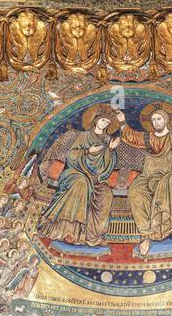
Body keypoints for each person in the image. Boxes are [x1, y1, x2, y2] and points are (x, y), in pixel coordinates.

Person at [117, 103, 172, 257]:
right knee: (135, 191)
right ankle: (146, 235)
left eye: (159, 118)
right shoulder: (149, 137)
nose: (156, 122)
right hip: (149, 176)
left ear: (166, 120)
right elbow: (132, 137)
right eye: (153, 119)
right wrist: (123, 121)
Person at [39, 105, 120, 245]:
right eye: (102, 120)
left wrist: (111, 151)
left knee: (106, 194)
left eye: (107, 122)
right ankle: (68, 231)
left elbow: (108, 167)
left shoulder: (108, 141)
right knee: (81, 184)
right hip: (75, 172)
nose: (104, 124)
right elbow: (71, 155)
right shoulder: (83, 136)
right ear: (95, 120)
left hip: (95, 179)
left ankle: (92, 235)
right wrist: (88, 151)